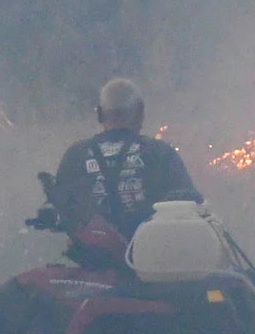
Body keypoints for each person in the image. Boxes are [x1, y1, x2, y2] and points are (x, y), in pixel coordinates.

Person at [51, 78, 199, 240]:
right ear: (141, 112)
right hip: (150, 254)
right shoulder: (161, 153)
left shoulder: (75, 154)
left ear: (100, 114)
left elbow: (60, 211)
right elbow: (190, 203)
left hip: (91, 257)